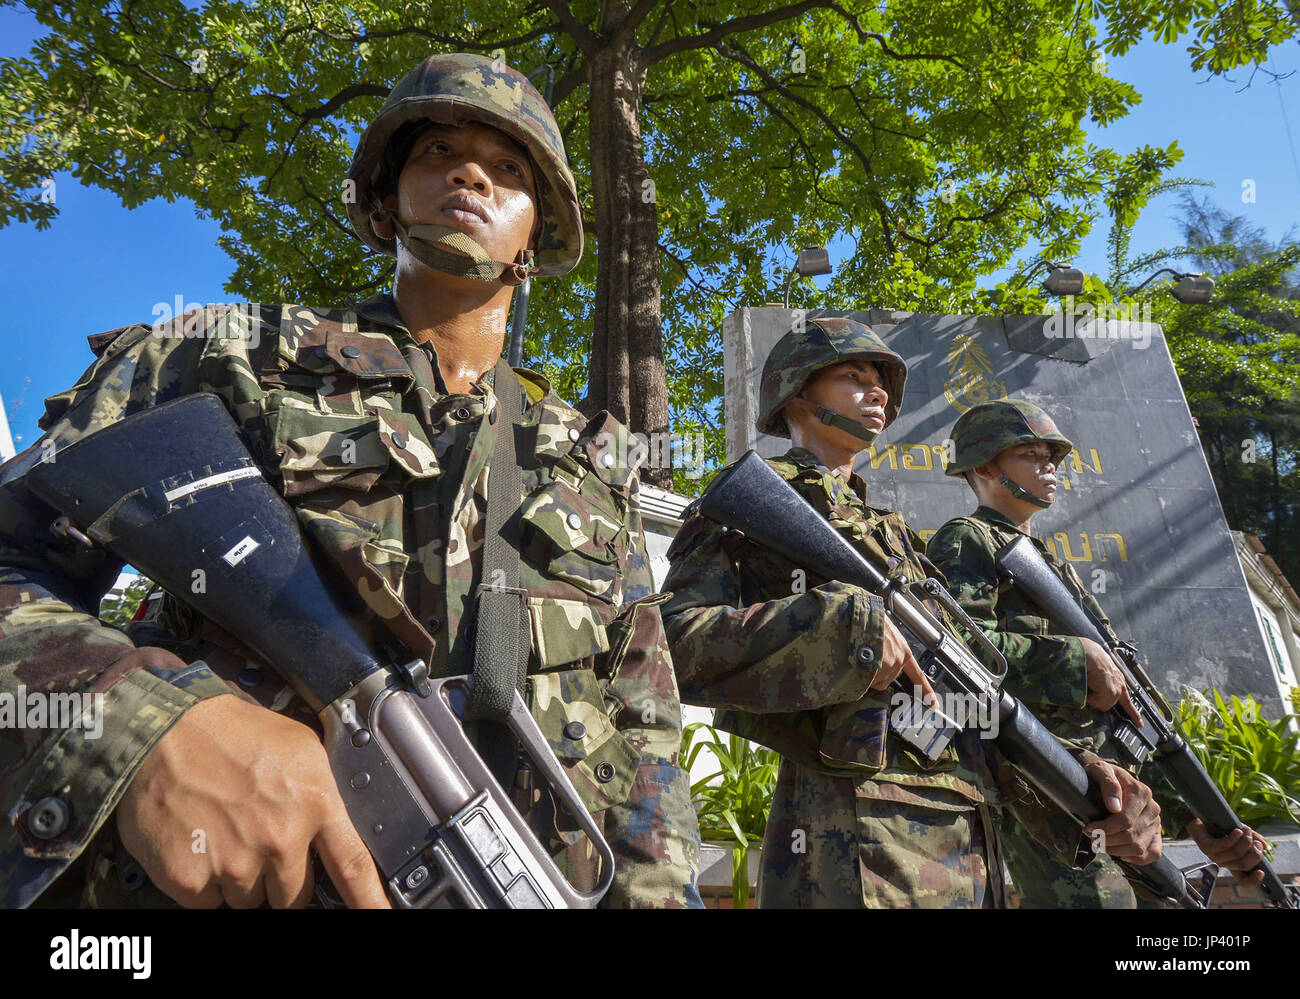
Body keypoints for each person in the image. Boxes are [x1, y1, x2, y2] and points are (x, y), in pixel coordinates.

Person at [0, 52, 701, 909]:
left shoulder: (596, 455)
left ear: (536, 237)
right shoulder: (231, 354)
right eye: (438, 151)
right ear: (384, 201)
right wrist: (143, 723)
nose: (472, 172)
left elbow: (647, 738)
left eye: (509, 170)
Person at [661, 317, 1164, 908]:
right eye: (854, 377)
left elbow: (973, 696)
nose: (878, 393)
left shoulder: (894, 535)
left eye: (883, 384)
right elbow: (671, 644)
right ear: (796, 394)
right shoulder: (754, 501)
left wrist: (1076, 769)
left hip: (964, 843)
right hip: (854, 838)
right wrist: (848, 629)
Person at [928, 398, 1269, 908]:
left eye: (1053, 456)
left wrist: (1193, 819)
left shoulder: (1046, 563)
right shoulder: (967, 539)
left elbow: (1122, 719)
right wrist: (1074, 659)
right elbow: (952, 652)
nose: (1049, 466)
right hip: (1048, 785)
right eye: (1030, 453)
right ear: (983, 465)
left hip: (1112, 794)